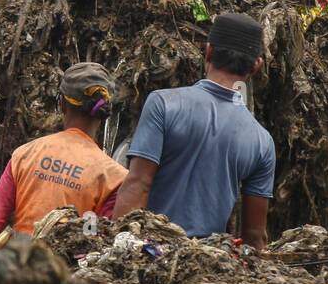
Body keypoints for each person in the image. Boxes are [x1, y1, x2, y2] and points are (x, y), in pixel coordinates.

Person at [113, 13, 276, 249]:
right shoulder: (262, 141)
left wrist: (116, 251)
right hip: (204, 267)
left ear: (208, 51)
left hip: (150, 254)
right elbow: (254, 235)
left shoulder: (163, 104)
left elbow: (138, 184)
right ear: (256, 66)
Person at [0, 63, 128, 259]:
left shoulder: (26, 153)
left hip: (18, 268)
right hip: (68, 280)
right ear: (105, 112)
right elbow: (103, 243)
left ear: (62, 104)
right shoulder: (115, 177)